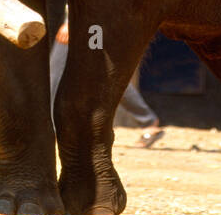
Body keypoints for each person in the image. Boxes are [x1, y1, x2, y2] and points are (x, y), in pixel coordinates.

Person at [50, 10, 163, 148]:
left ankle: (52, 131)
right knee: (101, 74)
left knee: (63, 72)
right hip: (94, 23)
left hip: (92, 24)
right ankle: (147, 120)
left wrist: (70, 23)